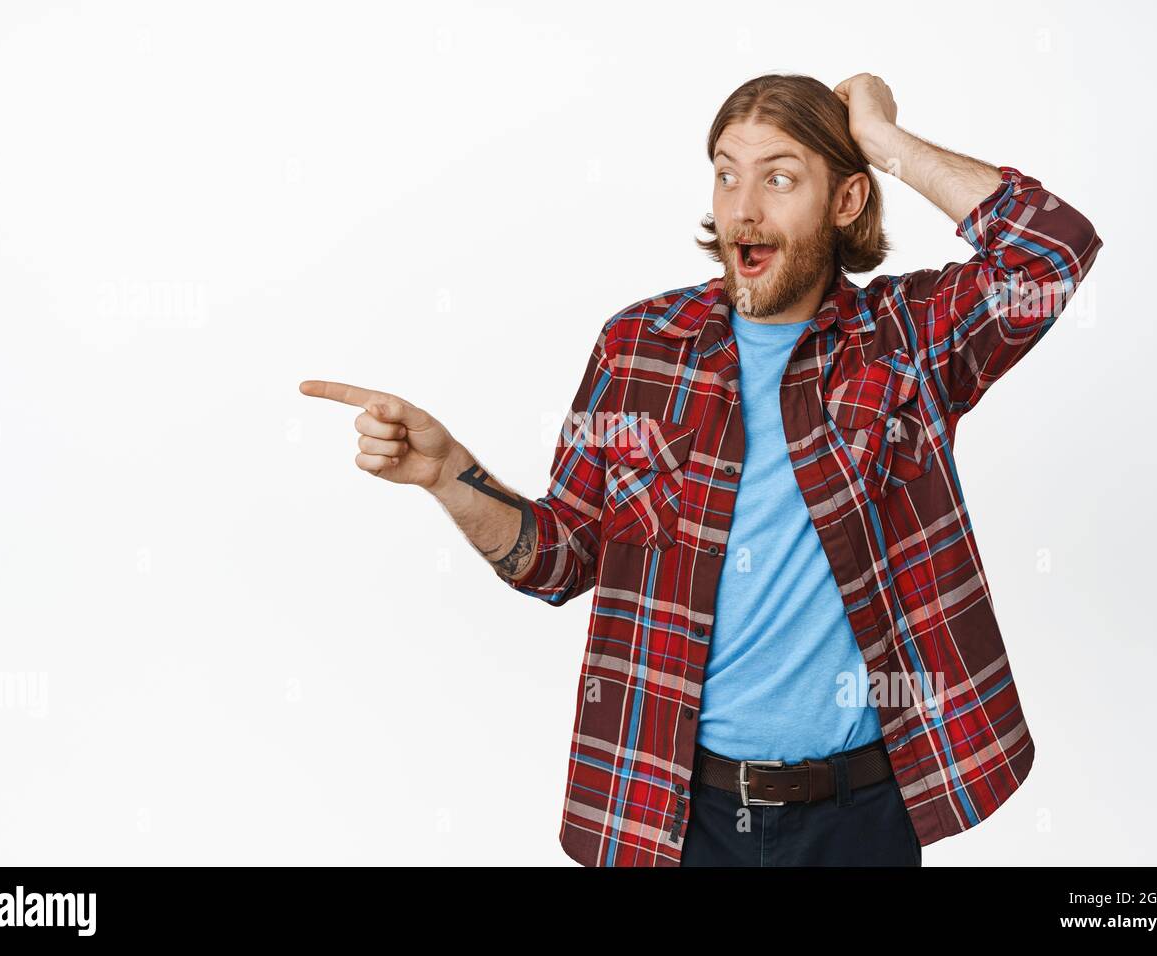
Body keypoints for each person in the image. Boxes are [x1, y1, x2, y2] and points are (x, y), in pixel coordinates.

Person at [299, 72, 1102, 867]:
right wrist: (449, 474)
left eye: (780, 179)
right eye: (726, 174)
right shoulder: (639, 350)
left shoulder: (907, 341)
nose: (742, 210)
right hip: (679, 820)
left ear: (847, 201)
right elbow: (559, 559)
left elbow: (1051, 254)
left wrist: (886, 142)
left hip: (862, 817)